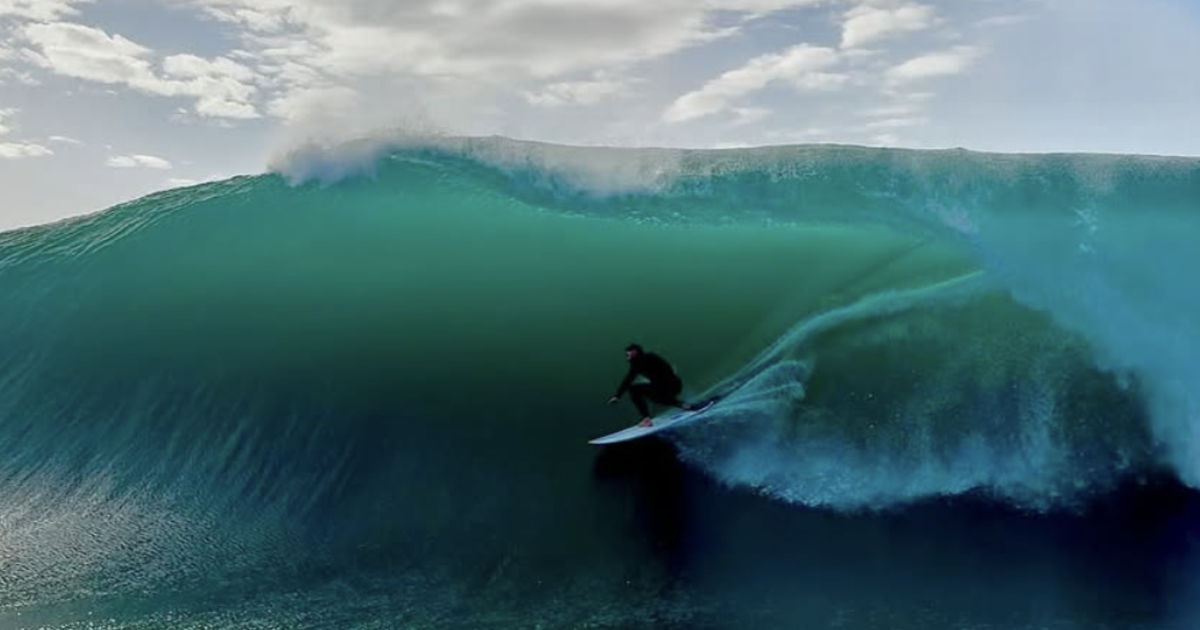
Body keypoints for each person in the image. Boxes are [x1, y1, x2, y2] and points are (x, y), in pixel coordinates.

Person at [607, 344, 694, 427]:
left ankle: (646, 419)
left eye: (628, 353)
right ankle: (683, 405)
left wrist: (617, 396)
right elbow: (627, 380)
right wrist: (617, 396)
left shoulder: (649, 358)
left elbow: (666, 368)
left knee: (634, 390)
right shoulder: (637, 365)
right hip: (670, 386)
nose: (626, 356)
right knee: (655, 398)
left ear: (634, 352)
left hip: (671, 385)